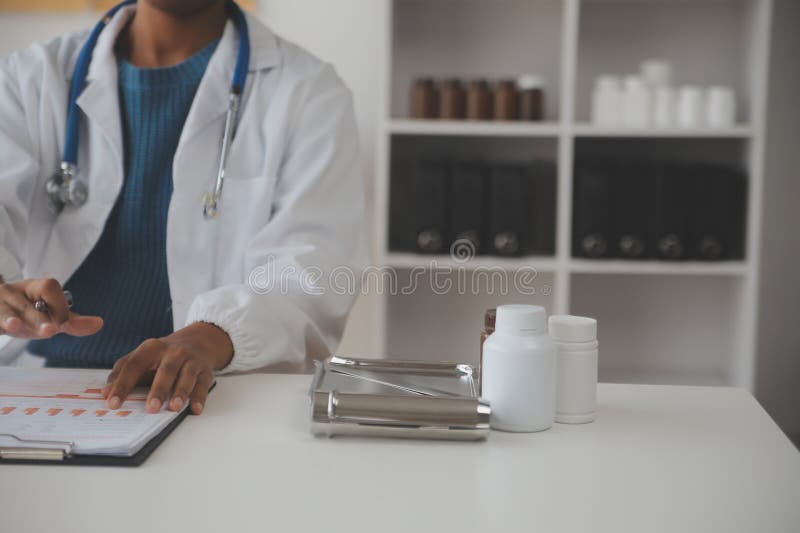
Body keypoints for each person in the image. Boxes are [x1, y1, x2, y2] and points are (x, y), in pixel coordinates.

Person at [0, 0, 367, 415]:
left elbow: (313, 273)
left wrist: (212, 335)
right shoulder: (28, 79)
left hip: (212, 400)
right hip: (40, 394)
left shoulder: (309, 93)